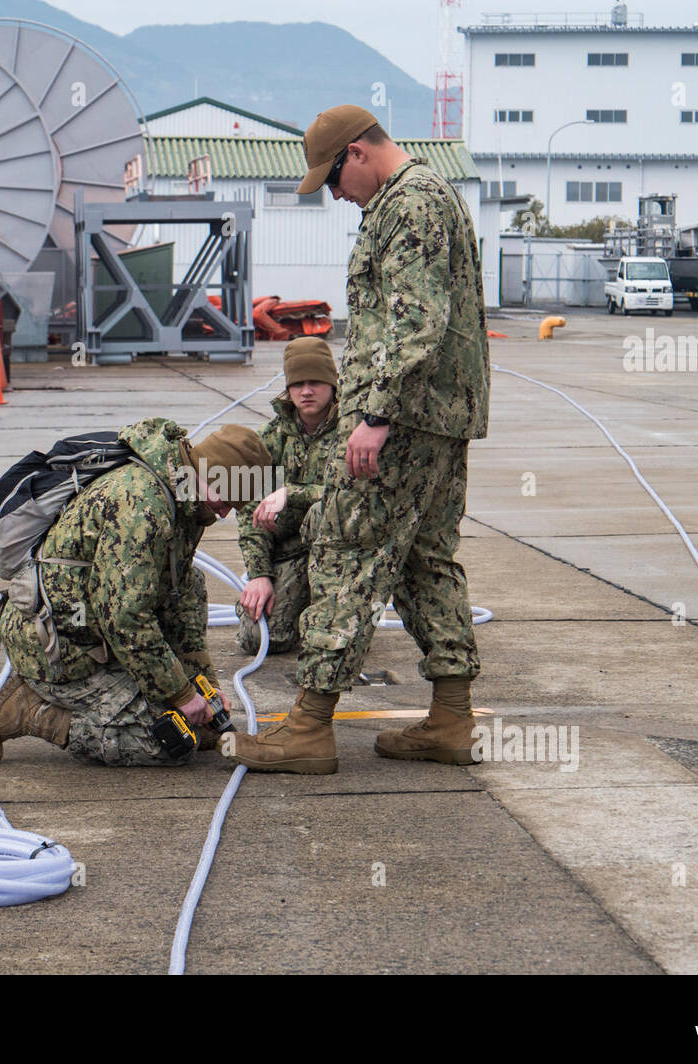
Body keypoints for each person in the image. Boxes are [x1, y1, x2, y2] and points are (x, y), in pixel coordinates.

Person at [225, 105, 491, 775]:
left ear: (357, 154)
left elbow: (415, 321)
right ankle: (451, 719)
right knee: (426, 559)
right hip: (436, 418)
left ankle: (310, 728)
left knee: (344, 551)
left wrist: (376, 415)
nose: (338, 195)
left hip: (399, 420)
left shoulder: (410, 206)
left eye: (335, 180)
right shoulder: (435, 198)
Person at [0, 418, 273, 767]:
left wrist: (202, 685)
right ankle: (30, 710)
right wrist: (181, 694)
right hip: (62, 650)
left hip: (99, 641)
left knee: (199, 731)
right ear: (207, 473)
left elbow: (183, 601)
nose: (225, 512)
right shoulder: (143, 504)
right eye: (224, 497)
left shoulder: (187, 499)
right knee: (170, 742)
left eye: (235, 504)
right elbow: (125, 619)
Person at [235, 336, 342, 656]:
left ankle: (343, 607)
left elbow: (355, 495)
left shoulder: (352, 433)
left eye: (315, 382)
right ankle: (298, 601)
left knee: (323, 512)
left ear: (332, 384)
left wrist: (290, 493)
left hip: (340, 551)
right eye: (297, 383)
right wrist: (259, 575)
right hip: (292, 551)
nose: (306, 391)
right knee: (263, 640)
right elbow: (248, 508)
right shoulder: (272, 437)